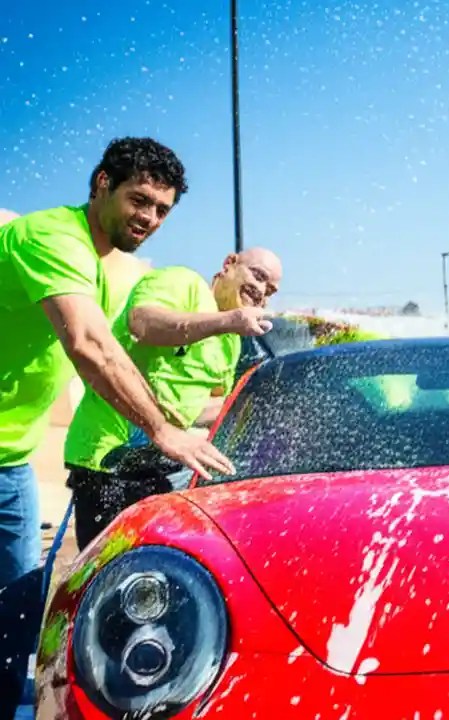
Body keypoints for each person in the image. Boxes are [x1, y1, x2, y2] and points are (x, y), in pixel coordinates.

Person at [0, 137, 233, 719]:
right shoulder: (52, 236)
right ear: (101, 182)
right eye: (140, 200)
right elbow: (90, 345)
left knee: (19, 613)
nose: (150, 218)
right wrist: (161, 430)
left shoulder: (102, 267)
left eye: (162, 210)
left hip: (11, 460)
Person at [63, 248, 282, 550]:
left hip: (163, 465)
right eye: (258, 276)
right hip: (108, 458)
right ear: (229, 263)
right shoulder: (183, 282)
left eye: (270, 291)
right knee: (110, 570)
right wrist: (228, 320)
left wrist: (253, 404)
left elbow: (200, 408)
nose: (260, 291)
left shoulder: (231, 343)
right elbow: (142, 323)